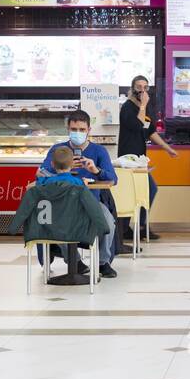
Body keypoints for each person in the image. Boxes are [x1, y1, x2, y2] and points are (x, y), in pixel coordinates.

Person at [9, 146, 112, 279]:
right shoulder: (78, 184)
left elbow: (25, 205)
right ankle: (94, 264)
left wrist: (13, 228)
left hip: (49, 230)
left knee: (60, 224)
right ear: (72, 165)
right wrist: (104, 227)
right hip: (77, 230)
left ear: (52, 164)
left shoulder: (42, 184)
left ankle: (72, 260)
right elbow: (93, 208)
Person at [38, 110, 118, 278]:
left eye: (82, 129)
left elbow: (113, 179)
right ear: (68, 129)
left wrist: (95, 170)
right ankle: (74, 261)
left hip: (91, 201)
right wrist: (60, 168)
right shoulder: (58, 150)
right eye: (74, 129)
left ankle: (103, 262)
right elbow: (40, 172)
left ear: (89, 130)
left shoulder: (99, 151)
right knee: (59, 222)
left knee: (108, 223)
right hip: (63, 202)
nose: (78, 133)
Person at [116, 75, 179, 242]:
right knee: (142, 190)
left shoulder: (146, 108)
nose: (142, 90)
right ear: (132, 88)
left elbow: (149, 131)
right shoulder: (128, 108)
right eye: (139, 87)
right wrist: (142, 105)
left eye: (145, 87)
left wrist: (167, 148)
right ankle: (133, 228)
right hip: (128, 159)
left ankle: (132, 227)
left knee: (147, 190)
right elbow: (137, 125)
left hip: (140, 158)